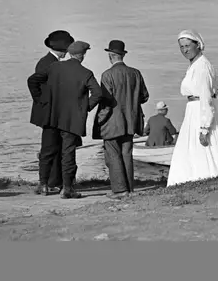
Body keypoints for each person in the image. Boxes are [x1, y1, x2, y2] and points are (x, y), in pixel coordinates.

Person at [166, 30, 218, 186]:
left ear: (198, 45)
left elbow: (206, 98)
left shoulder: (202, 66)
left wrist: (204, 128)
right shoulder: (197, 64)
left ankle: (203, 175)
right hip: (195, 109)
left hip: (200, 109)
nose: (185, 50)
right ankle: (197, 176)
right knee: (194, 148)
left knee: (205, 144)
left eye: (188, 46)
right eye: (182, 47)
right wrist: (215, 90)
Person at [43, 40, 101, 199]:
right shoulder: (85, 73)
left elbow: (43, 84)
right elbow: (97, 93)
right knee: (68, 153)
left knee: (51, 151)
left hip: (53, 117)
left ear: (69, 53)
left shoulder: (54, 67)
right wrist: (85, 108)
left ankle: (46, 184)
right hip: (72, 120)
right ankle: (67, 188)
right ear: (82, 55)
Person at [92, 39, 149, 199]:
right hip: (131, 121)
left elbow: (106, 102)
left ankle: (119, 190)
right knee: (126, 154)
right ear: (122, 55)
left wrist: (99, 121)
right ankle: (130, 189)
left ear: (110, 56)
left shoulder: (107, 75)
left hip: (112, 121)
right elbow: (144, 97)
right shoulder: (135, 73)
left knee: (113, 154)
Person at [27, 29, 73, 196]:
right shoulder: (50, 64)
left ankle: (51, 182)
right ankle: (45, 183)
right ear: (61, 49)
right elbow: (34, 82)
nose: (67, 52)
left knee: (53, 147)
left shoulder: (47, 61)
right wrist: (41, 101)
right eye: (66, 49)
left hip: (51, 111)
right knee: (49, 148)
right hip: (50, 113)